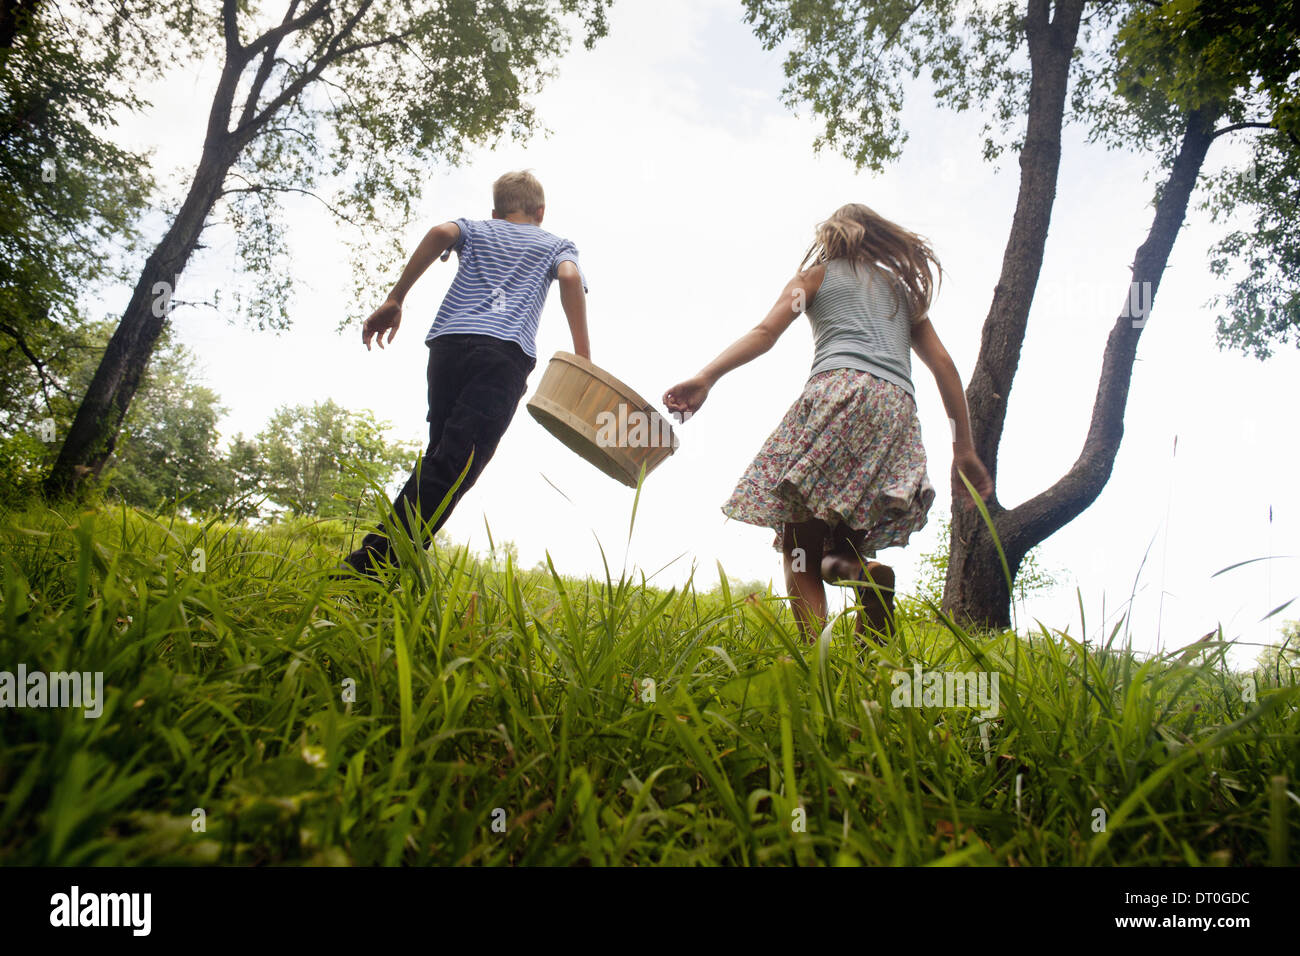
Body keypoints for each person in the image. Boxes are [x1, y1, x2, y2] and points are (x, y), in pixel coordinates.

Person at [663, 203, 993, 642]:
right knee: (840, 551)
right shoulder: (902, 293)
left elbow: (765, 334)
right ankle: (867, 580)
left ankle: (816, 669)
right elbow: (945, 365)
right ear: (876, 238)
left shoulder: (814, 277)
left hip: (837, 395)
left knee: (798, 551)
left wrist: (706, 377)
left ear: (830, 237)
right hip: (896, 410)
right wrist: (964, 449)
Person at [340, 170, 590, 576]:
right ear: (541, 211)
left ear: (496, 211)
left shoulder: (475, 228)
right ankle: (370, 566)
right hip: (503, 355)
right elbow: (569, 276)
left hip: (448, 346)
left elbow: (441, 232)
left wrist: (396, 297)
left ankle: (390, 565)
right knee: (456, 465)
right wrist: (582, 356)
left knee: (441, 457)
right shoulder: (556, 244)